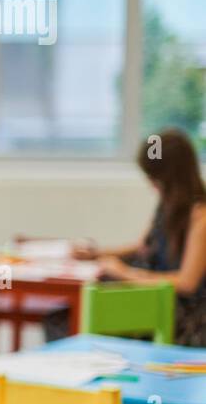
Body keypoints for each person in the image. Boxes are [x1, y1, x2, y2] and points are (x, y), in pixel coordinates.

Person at [64, 127, 206, 345]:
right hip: (150, 297)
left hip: (182, 313)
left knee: (83, 319)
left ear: (170, 178)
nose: (151, 185)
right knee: (64, 317)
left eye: (155, 179)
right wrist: (96, 254)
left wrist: (126, 273)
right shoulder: (168, 206)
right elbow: (142, 247)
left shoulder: (200, 216)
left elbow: (187, 283)